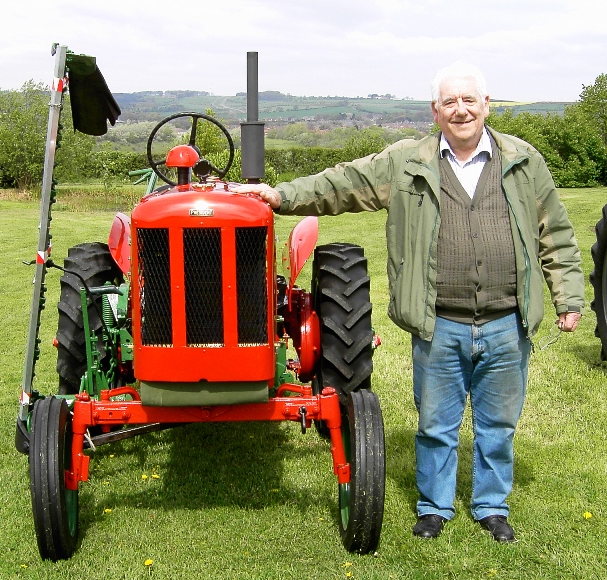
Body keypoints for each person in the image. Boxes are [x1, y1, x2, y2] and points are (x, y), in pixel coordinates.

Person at [239, 63, 584, 542]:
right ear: (435, 112)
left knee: (498, 426)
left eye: (469, 100)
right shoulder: (407, 161)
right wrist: (279, 195)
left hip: (507, 321)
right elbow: (342, 184)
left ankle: (491, 506)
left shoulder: (523, 162)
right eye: (449, 102)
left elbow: (556, 233)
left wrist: (567, 295)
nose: (460, 110)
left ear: (486, 105)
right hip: (439, 321)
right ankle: (434, 506)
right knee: (436, 425)